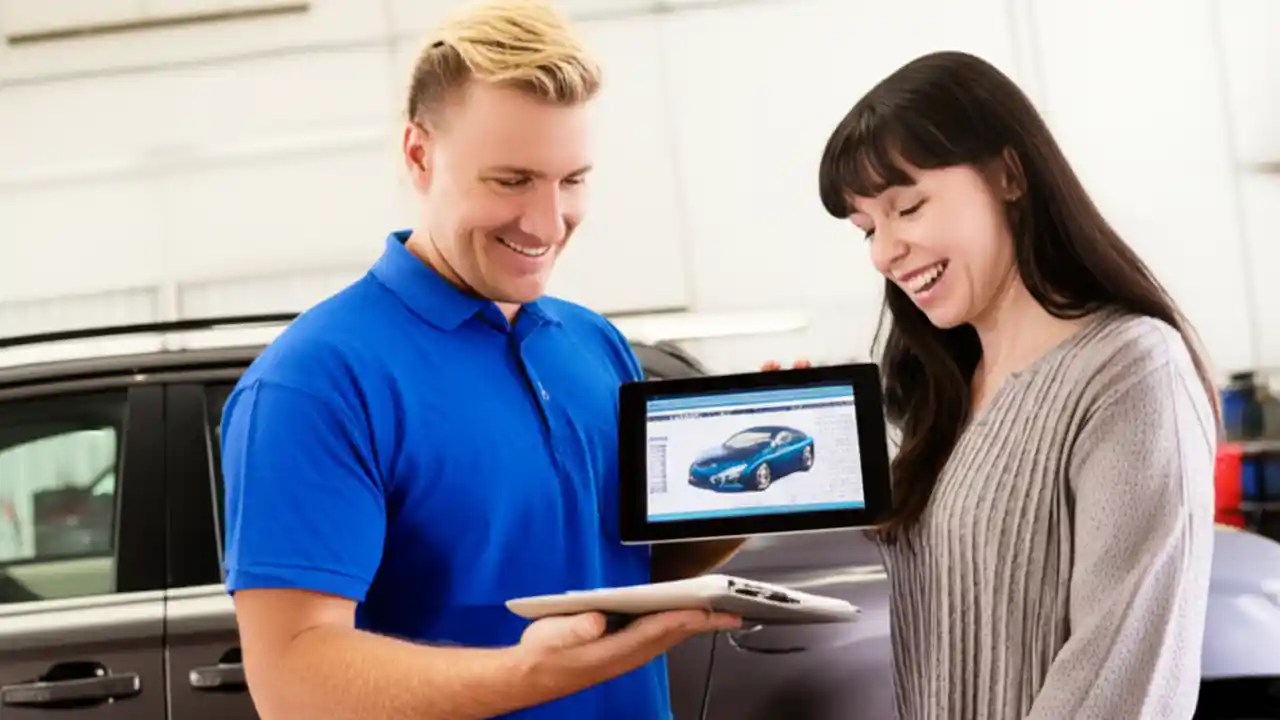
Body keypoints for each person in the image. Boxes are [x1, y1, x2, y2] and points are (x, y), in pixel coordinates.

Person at [219, 2, 744, 718]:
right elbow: (293, 681)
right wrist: (527, 675)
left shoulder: (594, 345)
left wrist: (747, 502)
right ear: (418, 155)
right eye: (511, 181)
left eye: (573, 179)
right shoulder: (313, 383)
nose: (548, 222)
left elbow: (626, 571)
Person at [817, 51, 1218, 719]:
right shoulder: (948, 392)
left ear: (1008, 173)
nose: (883, 252)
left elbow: (1121, 680)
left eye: (907, 207)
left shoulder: (1128, 370)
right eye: (866, 229)